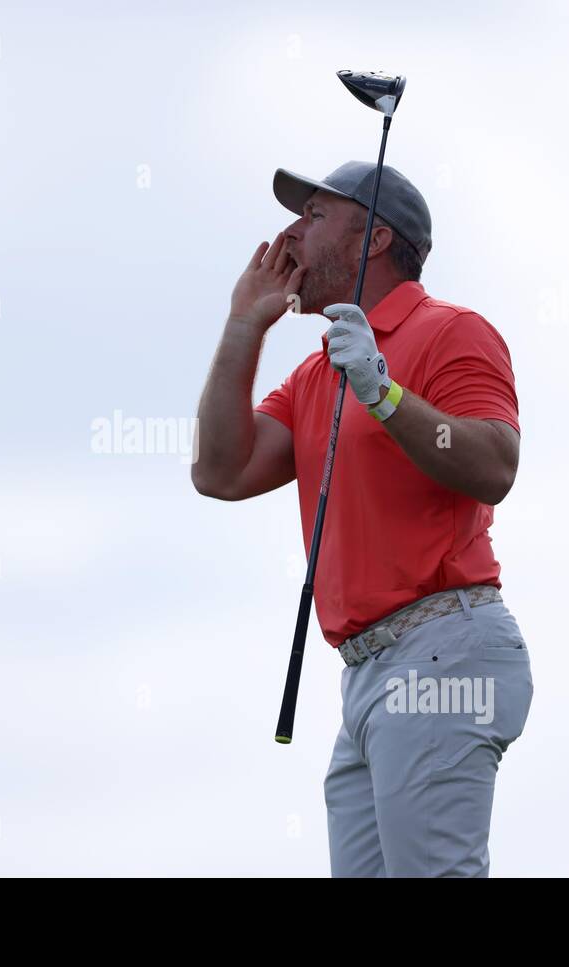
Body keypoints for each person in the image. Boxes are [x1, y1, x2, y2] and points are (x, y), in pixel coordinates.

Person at [190, 161, 534, 877]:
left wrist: (383, 393)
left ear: (374, 239)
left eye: (314, 216)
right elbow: (219, 471)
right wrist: (243, 327)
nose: (290, 233)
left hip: (442, 650)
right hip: (370, 675)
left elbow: (496, 464)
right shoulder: (318, 373)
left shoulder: (451, 331)